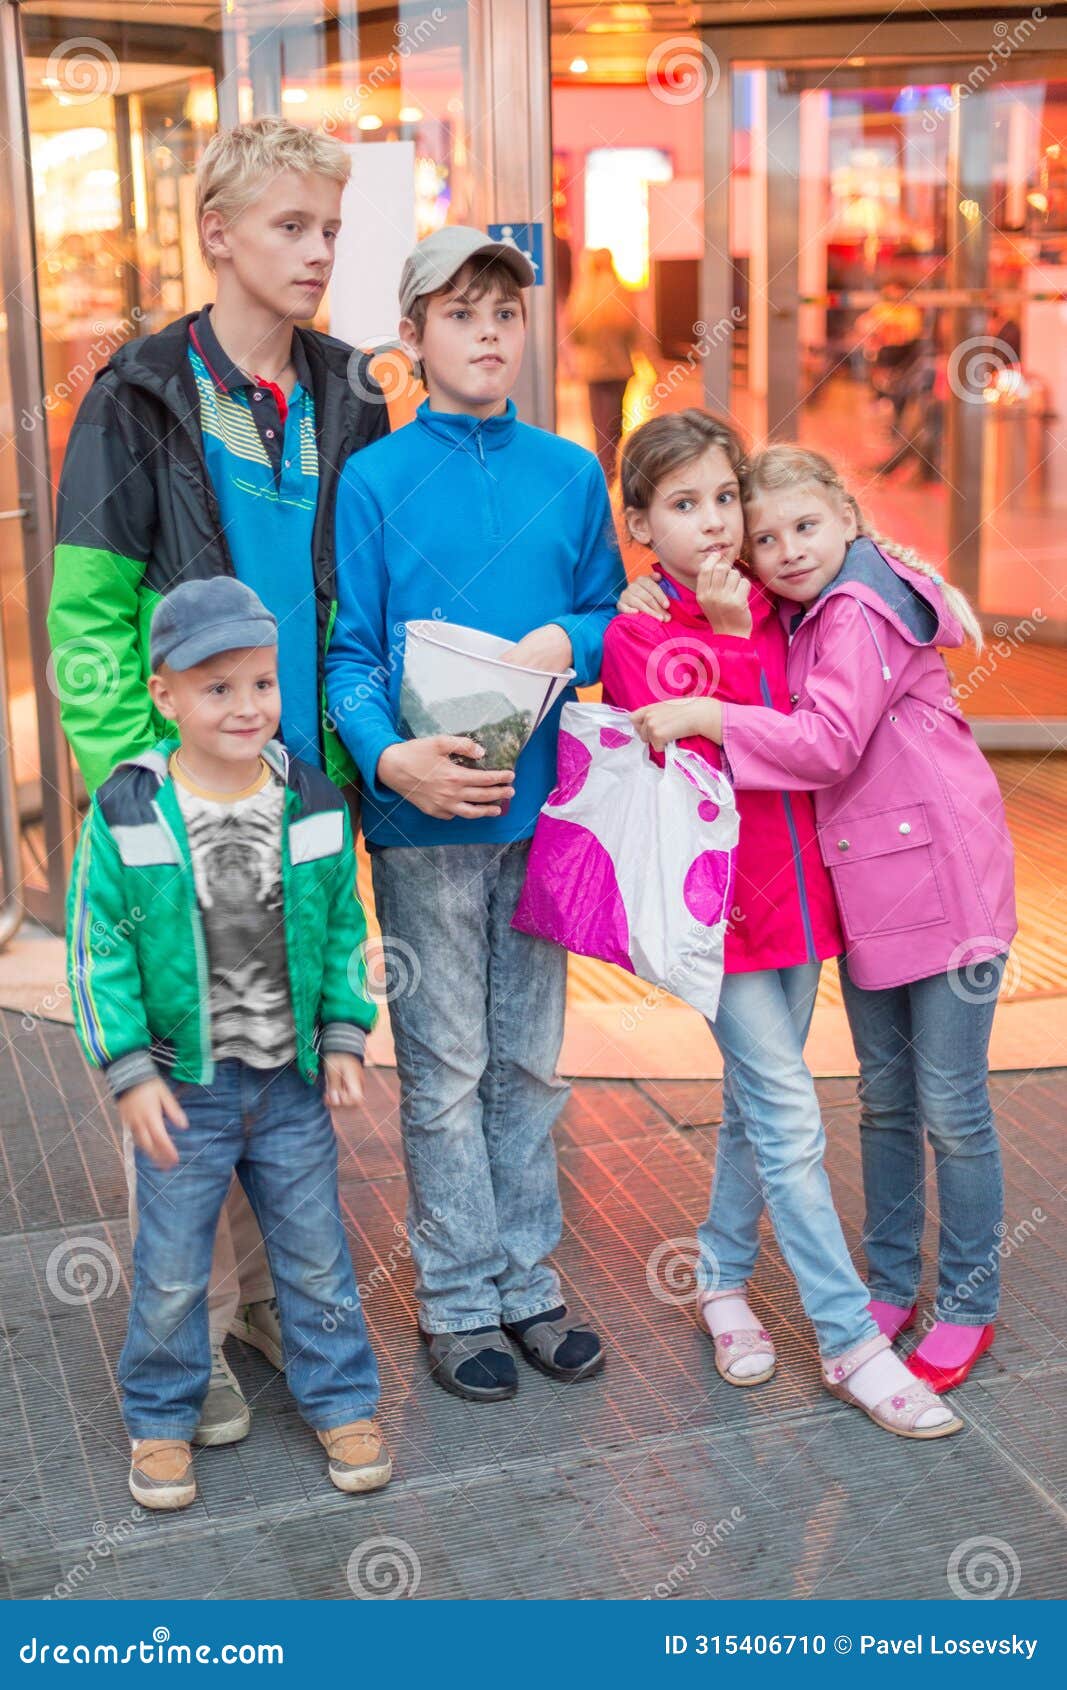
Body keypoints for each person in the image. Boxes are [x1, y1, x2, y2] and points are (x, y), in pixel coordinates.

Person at [47, 117, 390, 1444]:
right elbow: (86, 616)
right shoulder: (136, 392)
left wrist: (360, 765)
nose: (314, 253)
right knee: (185, 1065)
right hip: (182, 797)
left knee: (281, 1053)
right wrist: (130, 785)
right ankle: (184, 1347)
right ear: (218, 233)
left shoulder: (355, 389)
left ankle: (256, 1312)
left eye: (327, 231)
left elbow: (363, 591)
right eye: (290, 227)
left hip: (302, 800)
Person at [635, 443, 1016, 1399]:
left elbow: (831, 742)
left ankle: (967, 1296)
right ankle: (887, 1284)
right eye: (765, 538)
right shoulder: (799, 614)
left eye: (803, 526)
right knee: (885, 1102)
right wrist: (654, 596)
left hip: (945, 888)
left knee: (953, 1109)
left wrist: (705, 717)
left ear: (845, 515)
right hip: (867, 893)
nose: (785, 549)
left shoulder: (851, 610)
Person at [325, 226, 626, 1402]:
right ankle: (455, 1301)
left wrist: (576, 637)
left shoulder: (567, 471)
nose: (487, 332)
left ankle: (525, 1283)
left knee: (530, 1064)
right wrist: (390, 760)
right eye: (459, 314)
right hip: (422, 824)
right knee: (444, 1069)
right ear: (410, 339)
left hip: (541, 814)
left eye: (503, 313)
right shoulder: (376, 480)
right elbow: (348, 655)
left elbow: (611, 615)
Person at [66, 579, 388, 1510]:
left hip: (289, 1087)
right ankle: (160, 1421)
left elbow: (338, 926)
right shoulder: (130, 809)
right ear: (163, 694)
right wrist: (126, 1071)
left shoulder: (311, 796)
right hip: (184, 1089)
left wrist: (342, 1033)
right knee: (173, 1264)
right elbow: (99, 951)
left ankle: (342, 1399)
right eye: (217, 689)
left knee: (317, 1252)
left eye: (261, 683)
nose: (246, 707)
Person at [567, 247, 645, 477]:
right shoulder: (622, 295)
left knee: (599, 423)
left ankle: (603, 467)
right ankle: (613, 467)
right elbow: (635, 334)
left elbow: (575, 335)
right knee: (615, 422)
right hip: (620, 368)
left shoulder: (582, 298)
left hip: (593, 370)